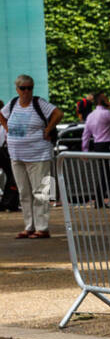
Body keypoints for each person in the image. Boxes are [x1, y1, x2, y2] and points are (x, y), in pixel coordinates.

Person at [0, 75, 62, 238]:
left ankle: (42, 227)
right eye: (23, 88)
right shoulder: (13, 104)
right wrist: (7, 129)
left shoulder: (38, 103)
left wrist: (48, 129)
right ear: (17, 89)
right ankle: (29, 226)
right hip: (16, 154)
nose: (26, 91)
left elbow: (58, 114)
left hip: (38, 154)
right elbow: (1, 114)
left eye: (29, 88)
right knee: (24, 192)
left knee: (40, 191)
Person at [82, 91, 110, 208]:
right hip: (107, 145)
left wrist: (84, 150)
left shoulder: (91, 115)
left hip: (97, 145)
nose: (108, 100)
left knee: (105, 172)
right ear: (102, 101)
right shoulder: (106, 114)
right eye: (106, 98)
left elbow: (86, 134)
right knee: (109, 173)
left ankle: (106, 200)